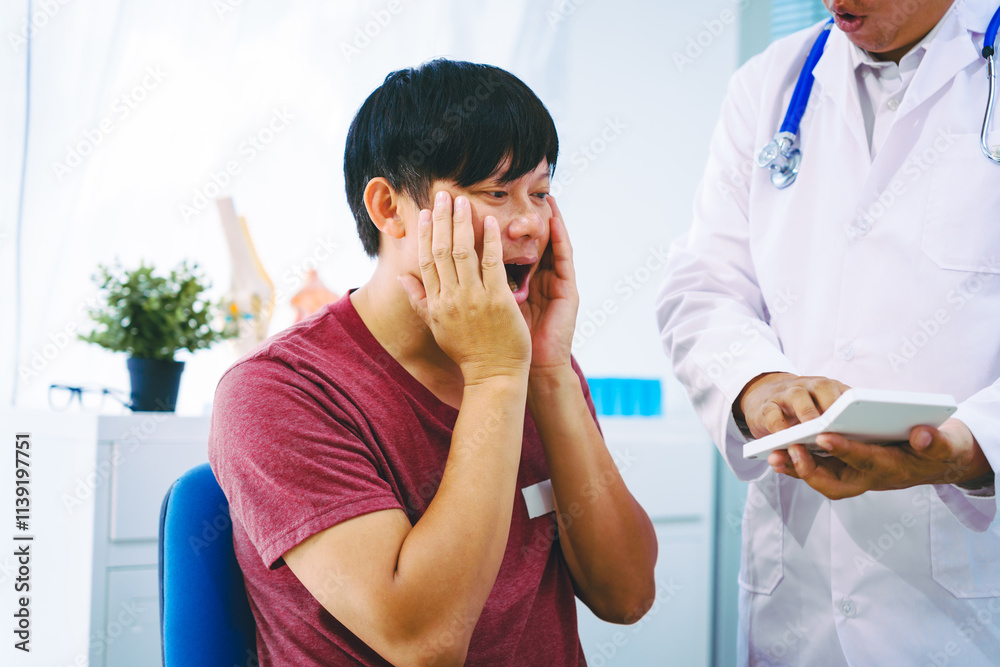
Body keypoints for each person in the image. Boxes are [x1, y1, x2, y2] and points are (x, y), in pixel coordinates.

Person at [209, 59, 657, 666]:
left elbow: (627, 596)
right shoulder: (276, 391)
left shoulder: (532, 362)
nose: (530, 224)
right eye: (496, 193)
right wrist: (495, 377)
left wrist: (549, 375)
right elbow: (425, 643)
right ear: (389, 208)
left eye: (540, 193)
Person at [657, 0, 999, 664]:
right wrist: (757, 383)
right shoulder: (770, 83)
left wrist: (971, 444)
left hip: (966, 609)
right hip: (797, 605)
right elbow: (702, 284)